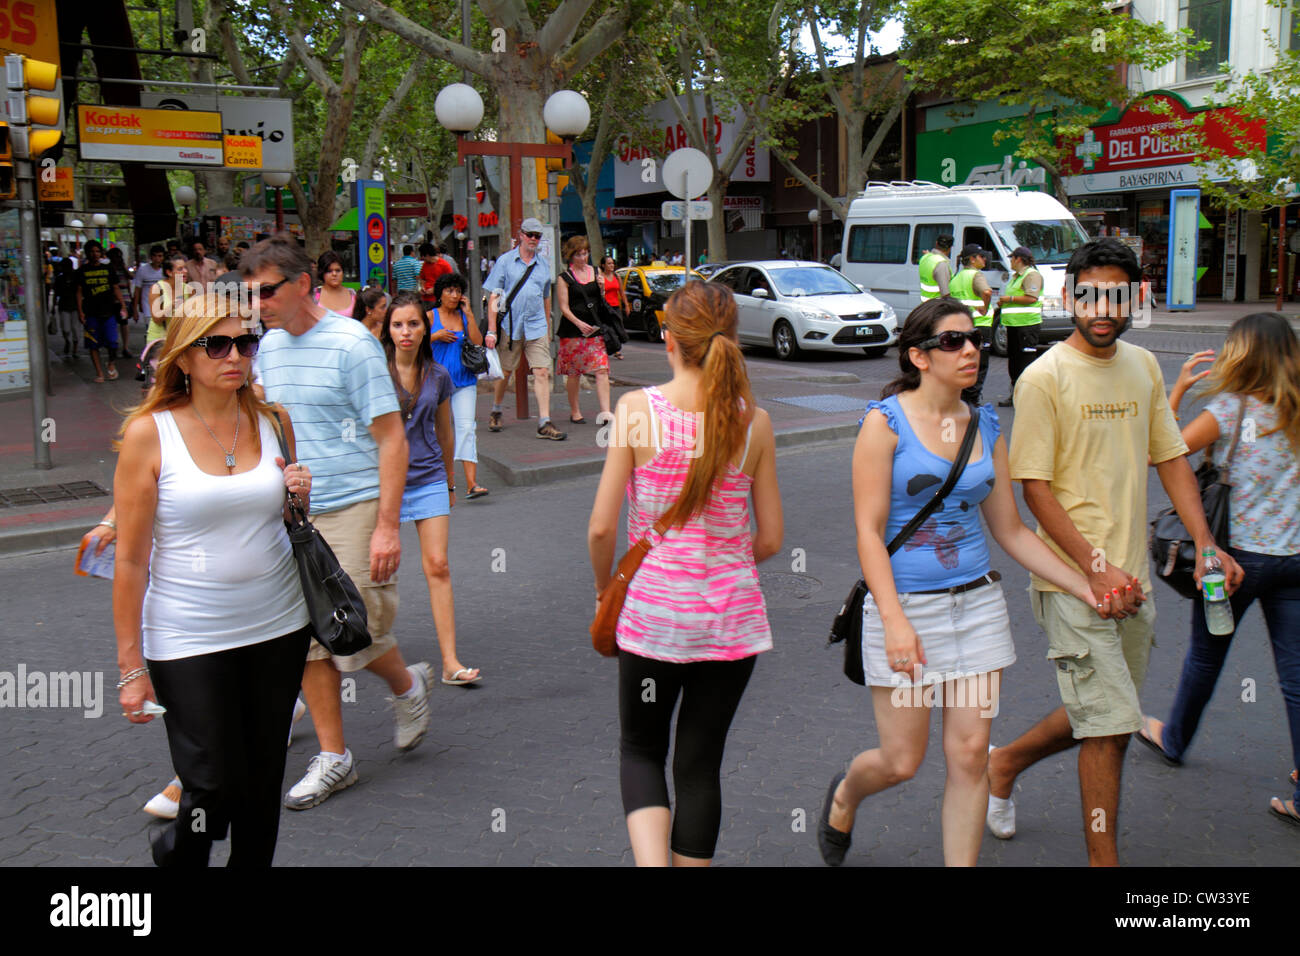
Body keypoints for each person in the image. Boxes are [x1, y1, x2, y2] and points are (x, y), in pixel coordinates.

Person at [815, 298, 1105, 867]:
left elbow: (1013, 532)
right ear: (918, 356)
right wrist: (895, 621)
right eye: (952, 342)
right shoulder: (885, 424)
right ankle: (846, 793)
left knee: (971, 755)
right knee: (901, 760)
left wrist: (1085, 585)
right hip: (906, 612)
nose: (970, 350)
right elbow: (868, 534)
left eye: (974, 340)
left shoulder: (986, 423)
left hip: (976, 609)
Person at [987, 238, 1244, 866]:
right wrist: (1096, 570)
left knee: (1110, 711)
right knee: (1109, 728)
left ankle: (1005, 763)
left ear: (1137, 298)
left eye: (1116, 295)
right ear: (1070, 296)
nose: (1102, 308)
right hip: (1074, 580)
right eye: (1090, 294)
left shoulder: (1145, 366)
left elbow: (1171, 458)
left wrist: (1207, 544)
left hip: (1135, 580)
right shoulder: (1044, 376)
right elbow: (1036, 492)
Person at [111, 293, 313, 865]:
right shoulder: (152, 434)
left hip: (278, 626)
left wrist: (298, 498)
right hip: (188, 638)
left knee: (260, 782)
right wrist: (131, 668)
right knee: (210, 784)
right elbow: (129, 561)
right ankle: (179, 850)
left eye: (246, 344)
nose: (236, 357)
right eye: (217, 344)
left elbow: (290, 524)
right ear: (182, 356)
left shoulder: (273, 420)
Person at [587, 281, 783, 866]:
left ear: (668, 339)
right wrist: (719, 555)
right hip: (729, 626)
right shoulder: (756, 424)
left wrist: (607, 589)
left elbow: (601, 528)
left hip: (653, 621)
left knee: (641, 750)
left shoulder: (637, 411)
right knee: (700, 765)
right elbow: (770, 538)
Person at [243, 235, 433, 810]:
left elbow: (391, 439)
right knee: (313, 640)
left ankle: (407, 684)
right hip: (297, 512)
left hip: (355, 503)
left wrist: (386, 526)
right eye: (249, 293)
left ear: (303, 284)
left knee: (353, 630)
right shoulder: (270, 347)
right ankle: (335, 757)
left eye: (266, 290)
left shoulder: (352, 345)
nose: (258, 303)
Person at [1134, 314, 1300, 828]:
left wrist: (1178, 388)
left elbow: (1159, 453)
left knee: (1206, 658)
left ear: (1241, 355)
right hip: (1293, 560)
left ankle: (1175, 738)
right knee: (1295, 677)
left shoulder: (1229, 411)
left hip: (1228, 564)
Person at [382, 290, 482, 686]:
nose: (405, 332)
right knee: (379, 574)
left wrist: (451, 480)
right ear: (388, 330)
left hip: (428, 479)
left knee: (438, 566)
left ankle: (450, 662)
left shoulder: (438, 376)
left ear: (426, 328)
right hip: (384, 483)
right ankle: (374, 657)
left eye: (413, 323)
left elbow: (445, 431)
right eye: (397, 324)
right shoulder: (375, 371)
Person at [483, 218, 565, 440]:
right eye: (529, 234)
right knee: (506, 371)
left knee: (541, 371)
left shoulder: (543, 265)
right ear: (520, 234)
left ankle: (544, 422)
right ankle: (496, 409)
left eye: (537, 236)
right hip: (510, 325)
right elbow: (494, 295)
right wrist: (491, 330)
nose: (533, 239)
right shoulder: (505, 262)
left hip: (536, 325)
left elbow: (546, 297)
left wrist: (547, 328)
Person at [428, 273, 489, 501]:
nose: (454, 295)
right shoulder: (429, 316)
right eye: (449, 291)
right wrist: (435, 336)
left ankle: (472, 483)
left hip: (464, 379)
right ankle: (446, 480)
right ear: (440, 293)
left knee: (466, 428)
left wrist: (470, 314)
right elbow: (415, 342)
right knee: (440, 432)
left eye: (457, 291)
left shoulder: (464, 316)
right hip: (436, 382)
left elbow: (477, 341)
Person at [557, 236, 612, 426]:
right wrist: (578, 323)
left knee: (602, 369)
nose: (583, 257)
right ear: (572, 256)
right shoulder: (565, 278)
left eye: (586, 253)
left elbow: (601, 301)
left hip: (595, 329)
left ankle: (605, 411)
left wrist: (602, 288)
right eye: (579, 254)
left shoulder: (596, 272)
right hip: (572, 331)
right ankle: (575, 411)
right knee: (574, 372)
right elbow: (564, 307)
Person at [996, 246, 1044, 407]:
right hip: (1013, 325)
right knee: (1014, 361)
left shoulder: (1032, 275)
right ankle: (1016, 394)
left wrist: (1008, 298)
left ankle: (1028, 395)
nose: (1010, 261)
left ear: (1018, 259)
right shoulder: (1016, 277)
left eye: (1012, 258)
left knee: (1026, 361)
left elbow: (1031, 298)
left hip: (1027, 325)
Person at [76, 240, 127, 383]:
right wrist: (80, 312)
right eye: (92, 251)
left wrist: (123, 305)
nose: (95, 254)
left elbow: (116, 288)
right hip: (91, 313)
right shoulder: (82, 271)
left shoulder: (108, 269)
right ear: (87, 253)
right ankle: (100, 373)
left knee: (112, 342)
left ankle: (111, 362)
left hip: (108, 311)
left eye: (97, 251)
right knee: (93, 344)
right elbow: (79, 292)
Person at [951, 244, 994, 405]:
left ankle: (962, 398)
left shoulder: (957, 277)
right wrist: (985, 306)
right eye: (981, 256)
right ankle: (972, 400)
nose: (984, 259)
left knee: (962, 361)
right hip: (980, 326)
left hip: (961, 326)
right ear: (972, 259)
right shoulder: (976, 275)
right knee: (979, 365)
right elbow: (987, 292)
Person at [132, 245, 167, 354]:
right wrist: (135, 309)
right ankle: (151, 351)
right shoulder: (142, 271)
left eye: (160, 256)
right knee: (151, 330)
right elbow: (137, 290)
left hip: (164, 307)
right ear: (151, 257)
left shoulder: (166, 271)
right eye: (155, 256)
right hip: (148, 307)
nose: (157, 259)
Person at [107, 247, 135, 360]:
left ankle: (125, 347)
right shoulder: (108, 268)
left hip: (125, 299)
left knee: (124, 322)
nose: (117, 259)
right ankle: (113, 345)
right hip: (112, 300)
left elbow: (131, 277)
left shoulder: (122, 268)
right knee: (112, 322)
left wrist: (123, 267)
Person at [600, 255, 628, 360]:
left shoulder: (617, 276)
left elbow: (621, 292)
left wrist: (626, 305)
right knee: (608, 330)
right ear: (603, 265)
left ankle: (616, 349)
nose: (612, 265)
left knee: (618, 329)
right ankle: (614, 350)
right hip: (606, 308)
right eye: (609, 263)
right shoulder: (600, 277)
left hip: (616, 306)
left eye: (612, 263)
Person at [54, 257, 80, 361]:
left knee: (75, 329)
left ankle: (74, 349)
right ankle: (68, 342)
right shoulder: (60, 279)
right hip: (65, 306)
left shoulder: (75, 277)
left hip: (74, 306)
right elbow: (56, 293)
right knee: (66, 328)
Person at [918, 235, 953, 302]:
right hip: (937, 307)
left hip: (925, 305)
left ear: (936, 243)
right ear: (950, 248)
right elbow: (946, 294)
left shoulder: (924, 258)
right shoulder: (941, 264)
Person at [419, 242, 451, 309]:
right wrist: (422, 287)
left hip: (438, 299)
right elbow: (422, 279)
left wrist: (435, 289)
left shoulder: (444, 265)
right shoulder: (425, 265)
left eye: (422, 256)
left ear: (427, 255)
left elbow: (449, 281)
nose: (422, 258)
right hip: (425, 299)